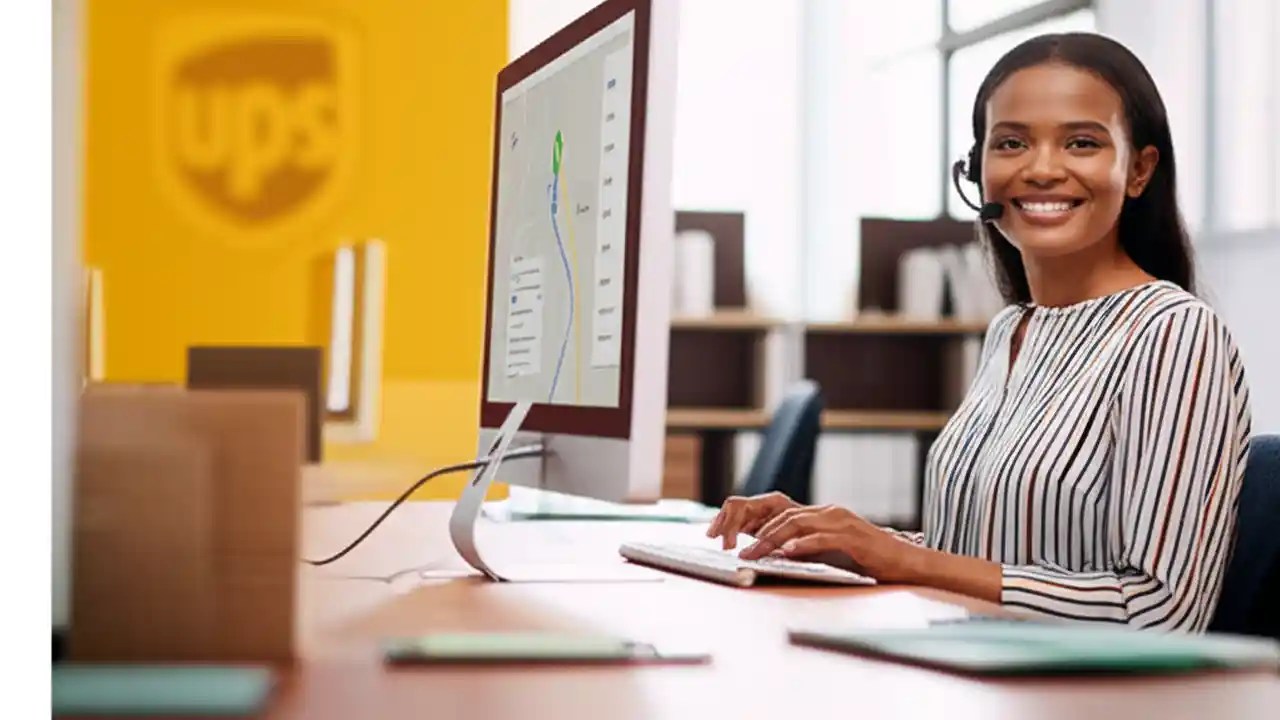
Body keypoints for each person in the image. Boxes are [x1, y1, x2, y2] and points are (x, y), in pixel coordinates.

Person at [707, 32, 1252, 632]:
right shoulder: (1010, 331)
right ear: (978, 168)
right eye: (1012, 142)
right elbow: (979, 555)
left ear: (1139, 169)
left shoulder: (1173, 333)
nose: (1042, 169)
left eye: (1082, 142)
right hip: (969, 675)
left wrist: (905, 559)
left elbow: (1158, 610)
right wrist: (845, 542)